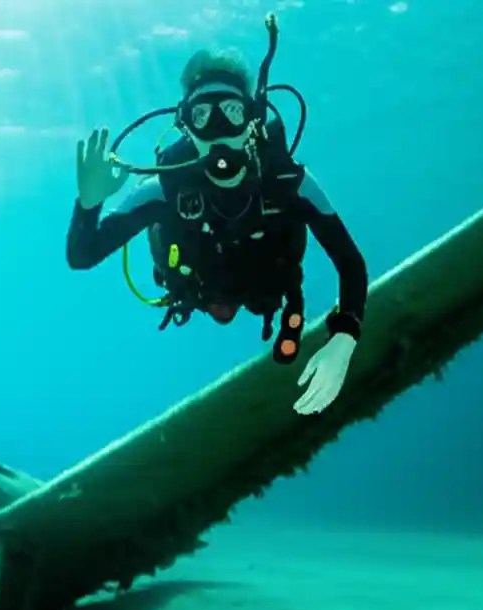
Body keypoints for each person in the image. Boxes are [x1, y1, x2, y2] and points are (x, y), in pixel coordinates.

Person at [65, 14, 368, 416]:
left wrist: (345, 335)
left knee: (255, 302)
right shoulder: (163, 189)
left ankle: (262, 304)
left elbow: (350, 262)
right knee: (220, 310)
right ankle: (222, 304)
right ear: (186, 126)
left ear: (252, 118)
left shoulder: (289, 182)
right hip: (202, 286)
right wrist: (89, 204)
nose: (220, 129)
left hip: (267, 280)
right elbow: (82, 255)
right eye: (203, 116)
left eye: (231, 112)